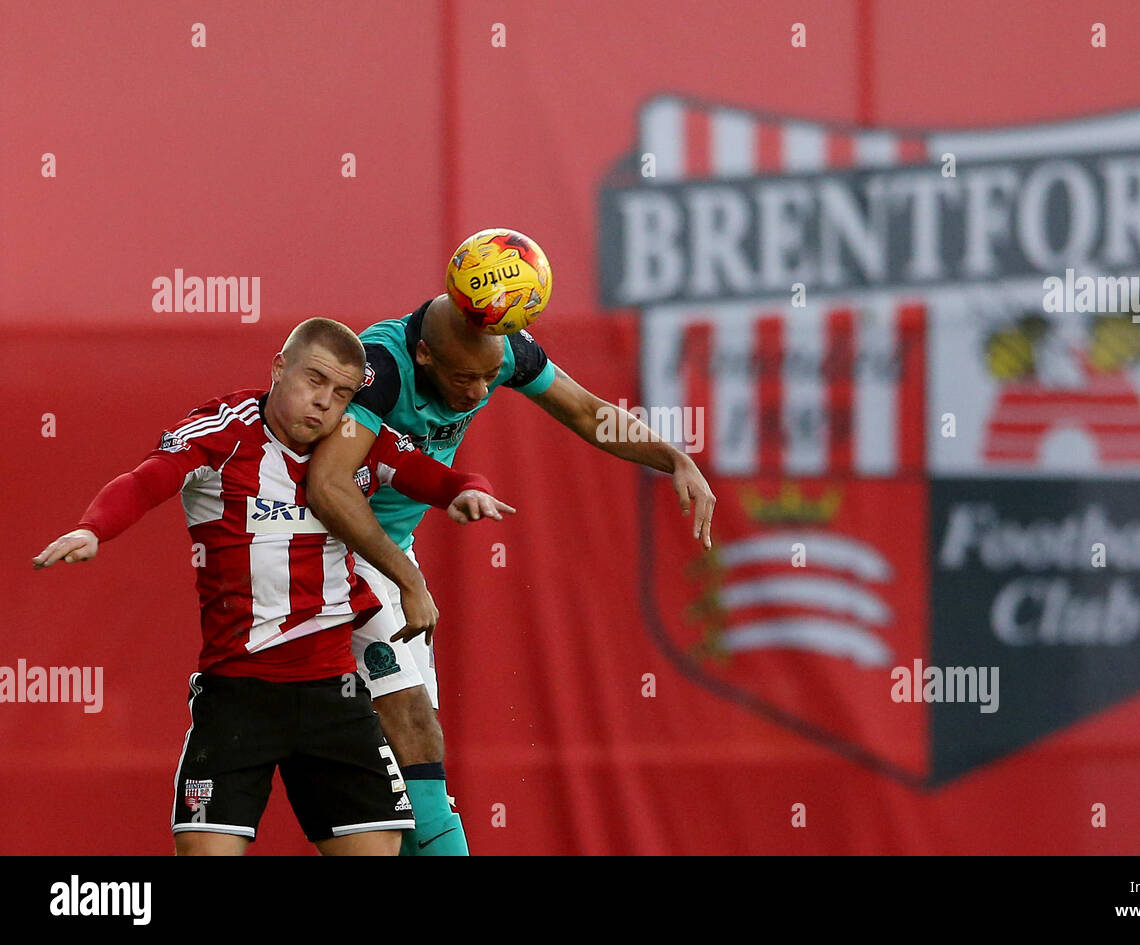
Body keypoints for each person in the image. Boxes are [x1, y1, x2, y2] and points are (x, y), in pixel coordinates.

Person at [32, 317, 514, 855]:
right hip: (238, 696)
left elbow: (435, 476)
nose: (324, 403)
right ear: (278, 368)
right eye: (314, 381)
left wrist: (471, 490)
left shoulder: (356, 443)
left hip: (335, 697)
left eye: (342, 393)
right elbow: (146, 481)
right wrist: (93, 528)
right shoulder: (220, 431)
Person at [307, 295, 717, 855]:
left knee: (401, 756)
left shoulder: (507, 350)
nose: (478, 392)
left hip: (387, 555)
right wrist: (409, 580)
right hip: (330, 553)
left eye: (489, 378)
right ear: (424, 354)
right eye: (463, 377)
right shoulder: (379, 367)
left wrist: (674, 458)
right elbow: (328, 486)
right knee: (412, 729)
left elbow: (585, 411)